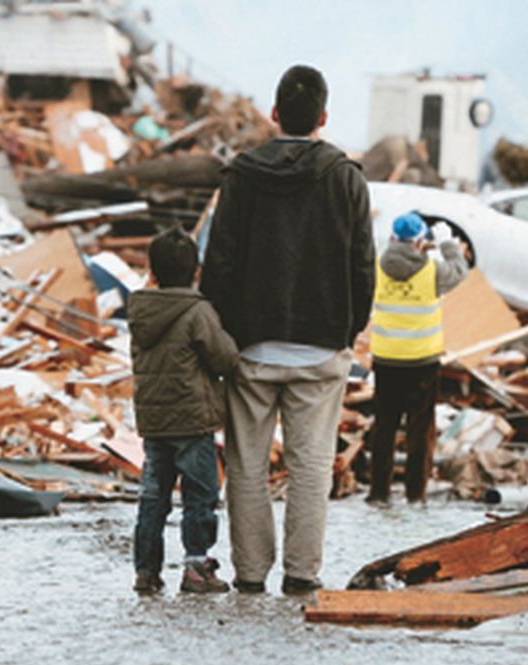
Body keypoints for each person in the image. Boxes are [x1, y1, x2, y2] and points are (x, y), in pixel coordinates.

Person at [200, 65, 375, 595]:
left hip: (251, 348)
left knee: (246, 468)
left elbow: (219, 264)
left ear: (275, 114)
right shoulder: (346, 178)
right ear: (324, 117)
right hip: (321, 349)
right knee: (312, 467)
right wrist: (349, 329)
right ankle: (302, 574)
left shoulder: (241, 177)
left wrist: (223, 335)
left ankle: (250, 573)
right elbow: (362, 264)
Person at [129, 228, 240, 594]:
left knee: (153, 497)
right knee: (200, 497)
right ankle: (195, 566)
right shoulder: (198, 312)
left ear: (152, 273)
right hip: (192, 421)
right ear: (196, 272)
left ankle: (146, 570)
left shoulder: (140, 311)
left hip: (154, 421)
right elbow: (224, 358)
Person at [367, 212, 470, 503]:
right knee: (420, 431)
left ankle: (378, 492)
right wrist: (447, 243)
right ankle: (415, 494)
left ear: (393, 238)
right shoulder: (433, 271)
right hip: (422, 362)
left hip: (386, 360)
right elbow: (460, 271)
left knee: (384, 427)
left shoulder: (376, 268)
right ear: (420, 242)